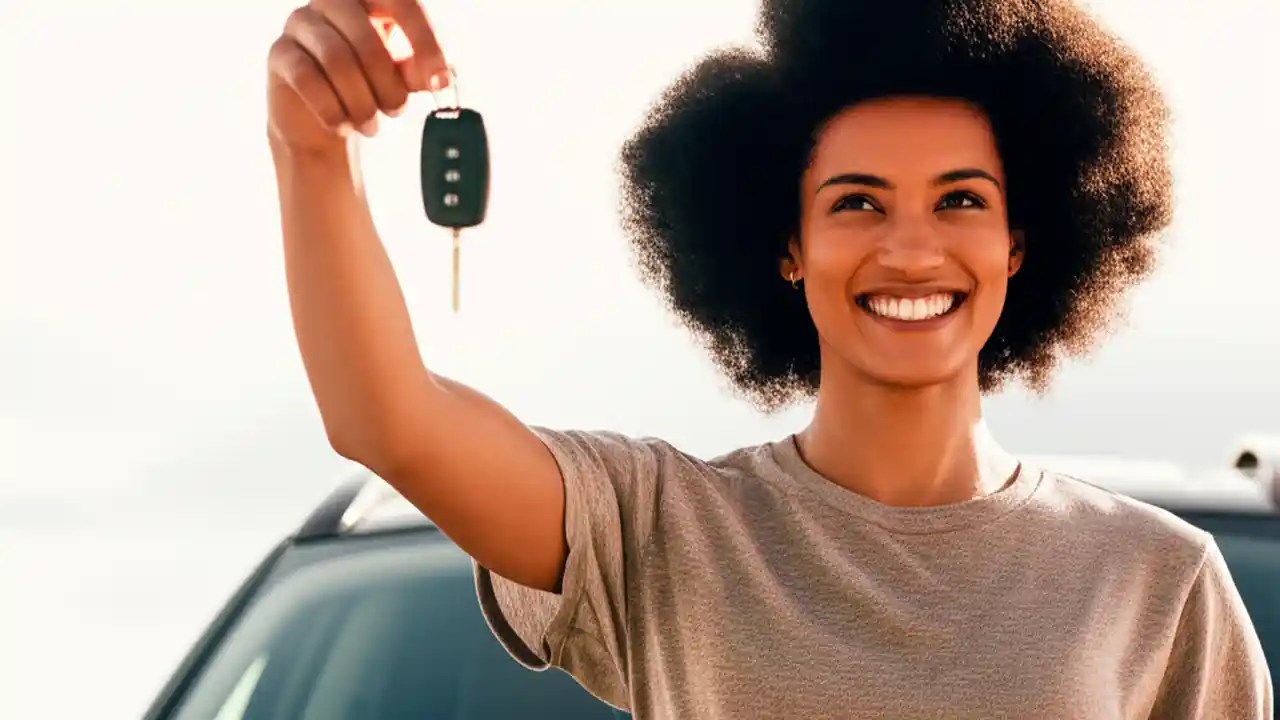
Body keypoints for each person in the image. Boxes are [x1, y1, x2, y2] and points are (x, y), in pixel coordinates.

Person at [265, 0, 1274, 717]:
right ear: (785, 244)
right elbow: (383, 419)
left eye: (960, 199)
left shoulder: (1158, 582)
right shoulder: (659, 531)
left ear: (1020, 241)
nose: (912, 247)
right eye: (856, 203)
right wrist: (311, 150)